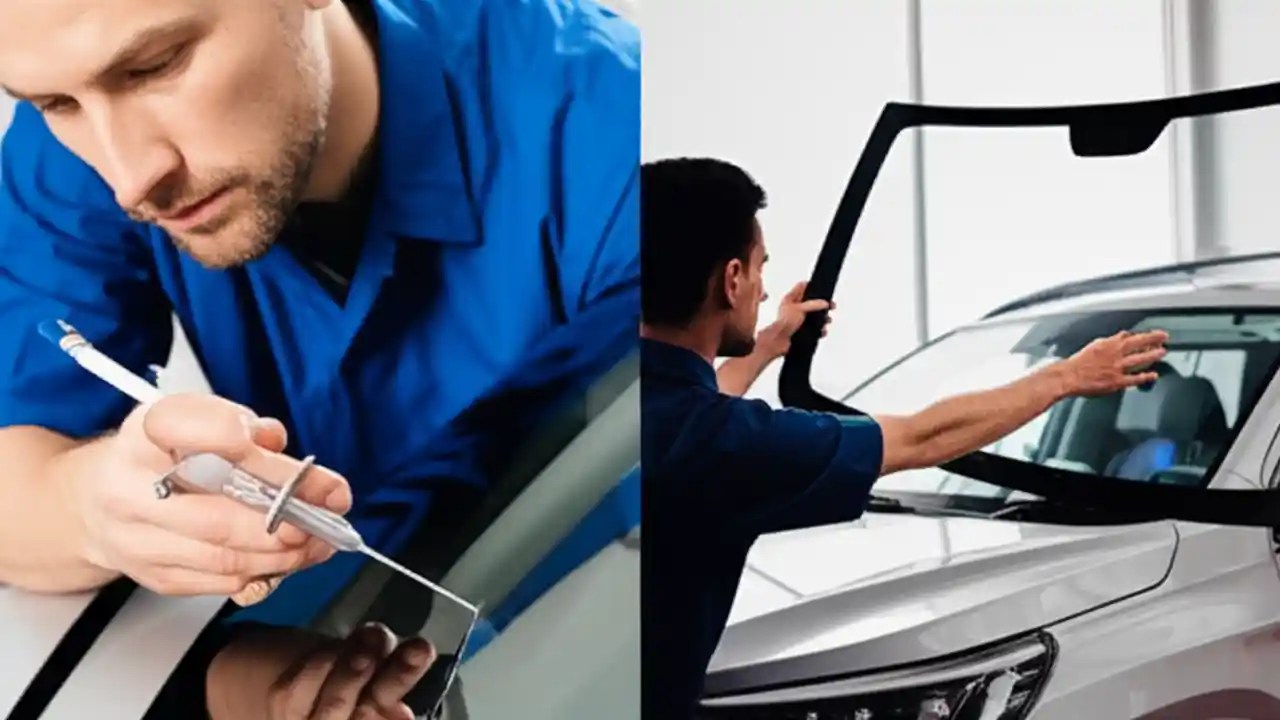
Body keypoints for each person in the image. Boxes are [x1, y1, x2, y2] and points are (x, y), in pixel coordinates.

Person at [0, 0, 638, 715]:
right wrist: (90, 507)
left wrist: (242, 667)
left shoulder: (616, 153)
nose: (127, 179)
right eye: (54, 102)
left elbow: (583, 534)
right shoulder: (79, 126)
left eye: (158, 66)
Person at [638, 156, 1168, 719]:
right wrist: (1066, 377)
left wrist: (769, 343)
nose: (765, 291)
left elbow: (693, 418)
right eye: (760, 268)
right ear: (732, 279)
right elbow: (922, 437)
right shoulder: (728, 445)